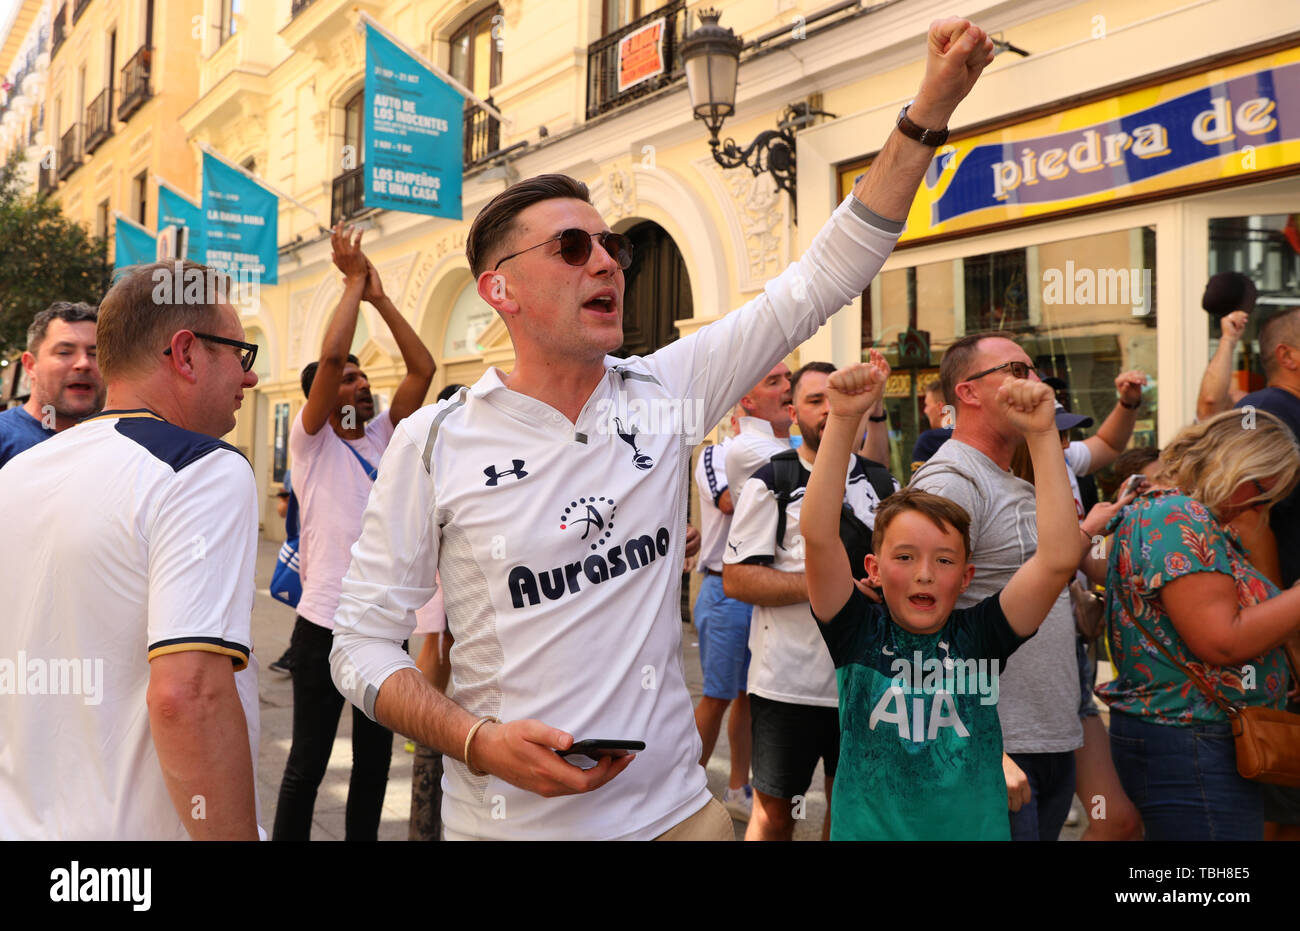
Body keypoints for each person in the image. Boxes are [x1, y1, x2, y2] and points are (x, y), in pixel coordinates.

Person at [326, 19, 994, 841]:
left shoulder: (662, 390)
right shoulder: (432, 440)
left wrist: (930, 104)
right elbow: (356, 642)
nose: (607, 261)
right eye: (573, 248)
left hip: (677, 814)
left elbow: (824, 275)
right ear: (500, 290)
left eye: (610, 245)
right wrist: (477, 741)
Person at [0, 261, 261, 839]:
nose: (250, 380)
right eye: (241, 355)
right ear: (187, 353)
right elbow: (188, 695)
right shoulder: (201, 470)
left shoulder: (18, 474)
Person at [803, 360, 1079, 839]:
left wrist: (1041, 435)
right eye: (905, 557)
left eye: (945, 561)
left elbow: (1057, 558)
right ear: (873, 570)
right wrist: (845, 419)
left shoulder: (982, 635)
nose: (925, 575)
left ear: (967, 575)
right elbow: (819, 535)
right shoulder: (855, 631)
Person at [272, 224, 436, 841]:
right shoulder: (311, 442)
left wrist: (380, 299)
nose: (360, 383)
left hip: (382, 628)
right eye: (348, 379)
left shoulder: (384, 434)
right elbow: (332, 356)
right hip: (322, 625)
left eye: (365, 379)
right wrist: (349, 284)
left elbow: (422, 366)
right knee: (307, 764)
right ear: (323, 391)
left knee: (373, 764)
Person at [911, 332, 1087, 841]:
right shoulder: (951, 481)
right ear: (967, 393)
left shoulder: (1013, 478)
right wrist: (986, 748)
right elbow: (910, 629)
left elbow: (1057, 564)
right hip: (991, 748)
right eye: (1016, 370)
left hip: (1045, 739)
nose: (1033, 382)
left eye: (1032, 370)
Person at [1097, 409, 1300, 840]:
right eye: (1261, 490)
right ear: (1233, 463)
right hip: (1190, 742)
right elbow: (1222, 641)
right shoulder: (1177, 516)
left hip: (1189, 739)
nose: (1257, 508)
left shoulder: (1165, 510)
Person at [723, 360, 899, 841]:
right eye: (815, 400)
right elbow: (737, 581)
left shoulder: (883, 485)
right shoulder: (771, 480)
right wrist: (827, 585)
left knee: (847, 814)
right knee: (775, 817)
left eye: (834, 398)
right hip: (788, 686)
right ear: (794, 413)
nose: (828, 409)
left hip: (866, 686)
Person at [691, 419, 754, 821]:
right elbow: (729, 501)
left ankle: (737, 788)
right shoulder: (716, 452)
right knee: (717, 696)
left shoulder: (779, 454)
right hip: (724, 587)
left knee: (751, 696)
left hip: (761, 590)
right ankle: (686, 787)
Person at [0, 302, 105, 467]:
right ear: (30, 365)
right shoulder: (5, 438)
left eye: (94, 354)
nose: (84, 363)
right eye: (64, 352)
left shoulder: (115, 447)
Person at [910, 378, 952, 472]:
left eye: (927, 405)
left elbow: (918, 484)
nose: (925, 411)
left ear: (940, 408)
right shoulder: (976, 436)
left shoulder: (928, 441)